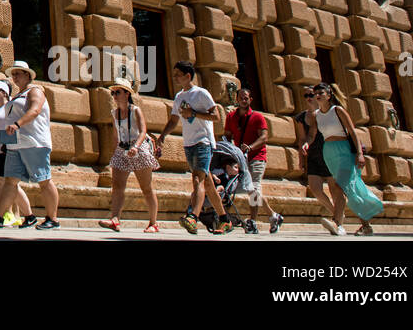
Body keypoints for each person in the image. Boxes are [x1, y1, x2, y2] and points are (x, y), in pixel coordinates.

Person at [155, 60, 230, 234]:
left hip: (204, 142)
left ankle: (193, 217)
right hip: (189, 143)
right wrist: (162, 136)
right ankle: (225, 220)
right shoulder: (179, 97)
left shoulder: (201, 93)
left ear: (188, 76)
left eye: (178, 75)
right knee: (208, 185)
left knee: (197, 179)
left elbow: (216, 116)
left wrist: (194, 114)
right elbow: (174, 119)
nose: (175, 78)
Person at [312, 83, 382, 236]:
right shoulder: (316, 114)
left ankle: (337, 223)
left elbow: (352, 132)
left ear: (329, 95)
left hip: (344, 151)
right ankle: (365, 226)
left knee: (339, 187)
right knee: (348, 189)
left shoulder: (338, 110)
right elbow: (316, 135)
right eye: (315, 92)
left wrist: (359, 153)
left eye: (321, 92)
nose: (317, 95)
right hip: (329, 152)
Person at [0, 61, 60, 230]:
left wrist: (17, 124)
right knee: (10, 180)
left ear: (28, 75)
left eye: (18, 73)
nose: (15, 77)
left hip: (35, 142)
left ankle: (53, 219)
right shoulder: (17, 95)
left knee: (44, 180)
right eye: (13, 74)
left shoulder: (35, 91)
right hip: (16, 144)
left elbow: (34, 111)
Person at [99, 77, 160, 233]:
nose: (114, 96)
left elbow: (143, 131)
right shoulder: (114, 113)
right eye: (113, 93)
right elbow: (115, 135)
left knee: (146, 187)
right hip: (122, 149)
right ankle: (115, 219)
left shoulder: (135, 110)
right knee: (118, 186)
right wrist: (114, 154)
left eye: (117, 92)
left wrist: (136, 147)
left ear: (127, 94)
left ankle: (153, 223)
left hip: (138, 149)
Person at [223, 88, 283, 234]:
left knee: (253, 188)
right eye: (241, 98)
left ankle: (253, 221)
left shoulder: (257, 117)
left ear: (251, 100)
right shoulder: (231, 117)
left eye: (246, 98)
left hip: (257, 157)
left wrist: (250, 147)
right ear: (237, 100)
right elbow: (227, 136)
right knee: (250, 190)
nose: (244, 100)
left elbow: (264, 138)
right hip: (240, 158)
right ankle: (273, 216)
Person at [293, 86, 346, 234]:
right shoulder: (301, 118)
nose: (309, 97)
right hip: (313, 156)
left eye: (312, 94)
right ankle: (337, 213)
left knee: (335, 190)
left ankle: (337, 221)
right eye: (306, 95)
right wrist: (301, 159)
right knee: (315, 189)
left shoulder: (327, 113)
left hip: (329, 153)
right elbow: (303, 139)